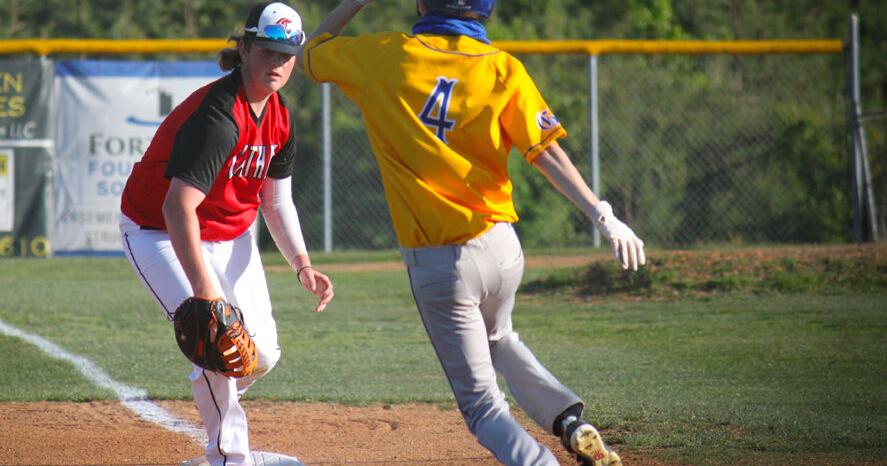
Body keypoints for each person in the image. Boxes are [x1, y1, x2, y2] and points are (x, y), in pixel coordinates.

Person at [296, 1, 645, 465]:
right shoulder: (502, 68)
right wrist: (602, 214)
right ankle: (569, 421)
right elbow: (545, 153)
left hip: (442, 264)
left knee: (482, 407)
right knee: (501, 339)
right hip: (502, 249)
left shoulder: (385, 55)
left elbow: (310, 52)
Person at [118, 3, 334, 465]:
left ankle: (213, 388)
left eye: (286, 54)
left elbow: (276, 202)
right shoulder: (218, 117)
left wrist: (303, 265)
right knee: (216, 338)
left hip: (231, 234)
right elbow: (177, 207)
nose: (277, 62)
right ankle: (228, 457)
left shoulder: (280, 117)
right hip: (158, 229)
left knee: (261, 354)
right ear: (245, 48)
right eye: (268, 50)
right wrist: (207, 295)